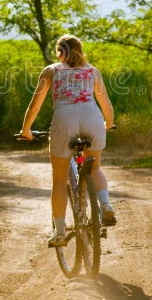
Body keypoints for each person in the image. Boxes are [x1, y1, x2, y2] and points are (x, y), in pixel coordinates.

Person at [20, 34, 116, 247]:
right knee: (95, 168)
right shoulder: (92, 71)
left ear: (59, 53)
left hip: (65, 121)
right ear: (81, 51)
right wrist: (108, 124)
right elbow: (106, 105)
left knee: (60, 179)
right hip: (92, 118)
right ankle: (106, 205)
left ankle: (60, 232)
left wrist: (26, 129)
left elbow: (34, 106)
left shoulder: (51, 71)